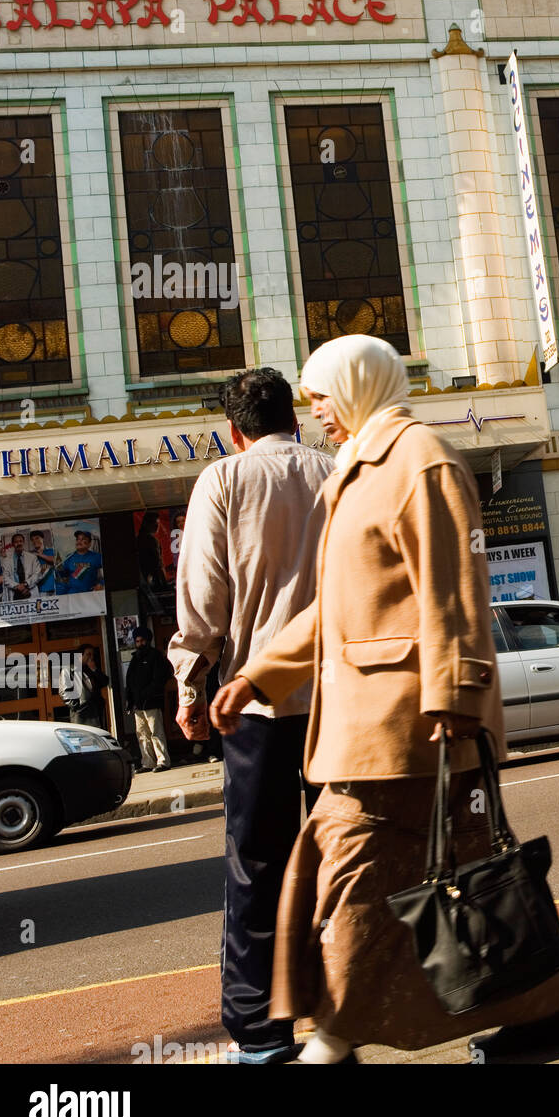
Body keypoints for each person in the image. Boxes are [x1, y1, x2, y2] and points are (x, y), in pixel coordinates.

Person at [209, 335, 559, 1065]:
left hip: (411, 728)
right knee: (463, 879)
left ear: (359, 386)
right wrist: (260, 675)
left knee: (353, 881)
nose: (316, 411)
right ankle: (545, 1012)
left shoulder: (420, 459)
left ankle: (332, 1042)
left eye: (323, 395)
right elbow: (334, 609)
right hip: (370, 728)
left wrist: (454, 696)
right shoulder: (357, 467)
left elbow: (454, 588)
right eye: (313, 397)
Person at [167, 366, 334, 1066]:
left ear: (233, 430)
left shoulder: (225, 480)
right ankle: (339, 1016)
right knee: (338, 861)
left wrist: (188, 682)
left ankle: (262, 1035)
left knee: (256, 867)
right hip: (336, 702)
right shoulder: (336, 472)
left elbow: (203, 594)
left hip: (256, 703)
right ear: (293, 418)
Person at [126, 628, 173, 772]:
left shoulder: (155, 656)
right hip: (138, 704)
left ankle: (163, 761)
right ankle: (148, 762)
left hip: (151, 701)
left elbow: (159, 679)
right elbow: (129, 682)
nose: (139, 644)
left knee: (155, 731)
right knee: (142, 734)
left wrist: (147, 693)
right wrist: (130, 701)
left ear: (148, 640)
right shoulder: (135, 658)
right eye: (137, 641)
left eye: (142, 641)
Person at [60, 644, 108, 729]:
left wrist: (95, 670)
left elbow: (105, 682)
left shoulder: (91, 669)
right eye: (88, 654)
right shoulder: (68, 670)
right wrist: (78, 707)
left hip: (97, 713)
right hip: (82, 716)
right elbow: (64, 693)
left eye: (93, 654)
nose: (91, 657)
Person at [2, 532, 35, 601]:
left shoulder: (32, 557)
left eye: (21, 541)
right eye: (16, 542)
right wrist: (17, 586)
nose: (19, 543)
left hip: (29, 590)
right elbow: (5, 577)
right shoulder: (7, 560)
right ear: (13, 544)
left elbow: (37, 574)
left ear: (24, 542)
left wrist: (26, 584)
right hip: (15, 591)